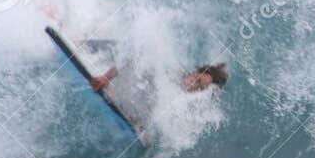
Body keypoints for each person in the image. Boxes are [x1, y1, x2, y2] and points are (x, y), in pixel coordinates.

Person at [89, 62, 228, 94]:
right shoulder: (169, 74)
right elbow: (132, 60)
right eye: (197, 80)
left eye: (199, 88)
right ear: (196, 72)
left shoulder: (181, 102)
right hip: (107, 55)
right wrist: (106, 78)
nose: (193, 85)